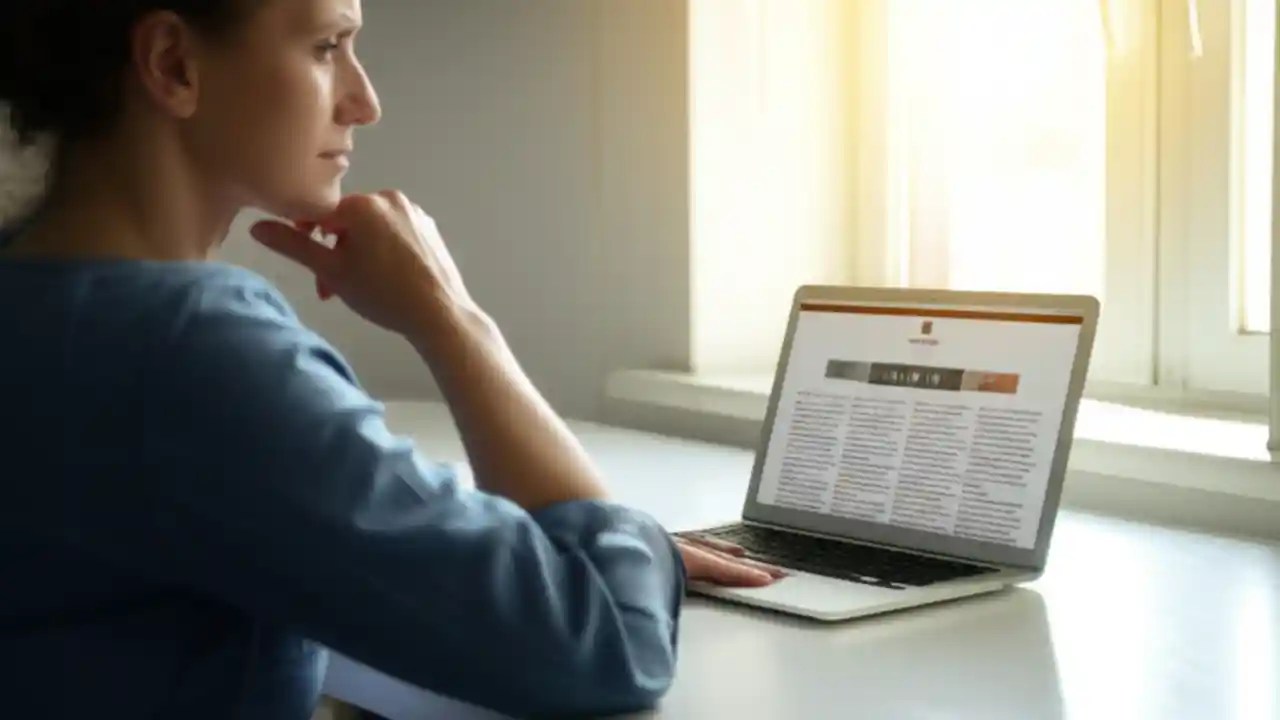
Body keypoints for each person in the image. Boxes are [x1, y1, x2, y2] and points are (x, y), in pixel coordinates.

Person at [0, 1, 784, 718]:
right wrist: (451, 316)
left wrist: (569, 546)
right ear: (173, 64)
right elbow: (609, 642)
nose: (364, 101)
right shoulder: (188, 351)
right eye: (327, 45)